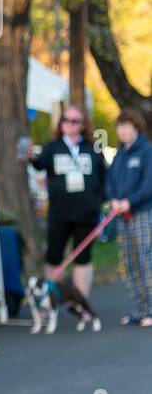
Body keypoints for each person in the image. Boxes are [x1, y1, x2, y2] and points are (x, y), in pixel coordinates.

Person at [27, 104, 107, 297]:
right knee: (54, 256)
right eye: (67, 120)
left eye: (75, 121)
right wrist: (30, 156)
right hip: (59, 213)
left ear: (82, 124)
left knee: (83, 258)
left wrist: (99, 201)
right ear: (61, 123)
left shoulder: (92, 148)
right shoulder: (52, 147)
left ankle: (81, 304)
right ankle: (50, 300)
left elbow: (103, 176)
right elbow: (39, 164)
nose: (70, 124)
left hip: (86, 214)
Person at [106, 109, 152, 327]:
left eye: (127, 126)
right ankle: (139, 309)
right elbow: (110, 181)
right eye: (120, 127)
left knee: (147, 260)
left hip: (142, 213)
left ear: (136, 127)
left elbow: (148, 184)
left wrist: (130, 201)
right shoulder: (119, 155)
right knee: (129, 263)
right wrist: (113, 199)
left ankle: (151, 310)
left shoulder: (146, 151)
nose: (123, 131)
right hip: (122, 217)